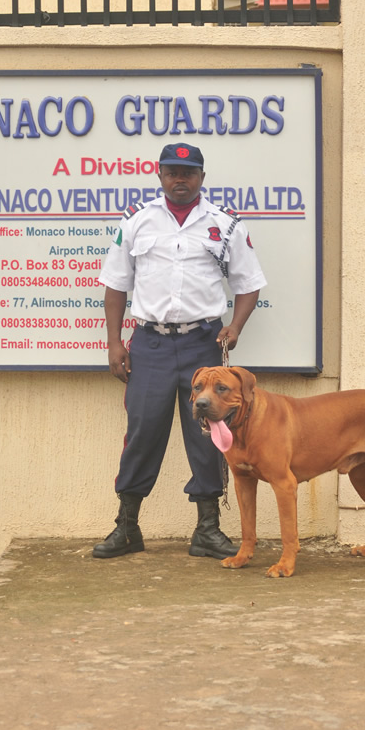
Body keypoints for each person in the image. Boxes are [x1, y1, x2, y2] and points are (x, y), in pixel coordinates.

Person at [93, 141, 267, 560]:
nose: (180, 180)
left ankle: (207, 529)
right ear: (160, 175)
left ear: (202, 178)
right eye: (172, 172)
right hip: (149, 345)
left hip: (201, 347)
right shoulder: (137, 221)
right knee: (142, 433)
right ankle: (127, 527)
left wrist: (235, 327)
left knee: (210, 436)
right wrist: (115, 342)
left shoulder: (225, 224)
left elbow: (249, 283)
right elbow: (116, 284)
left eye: (188, 173)